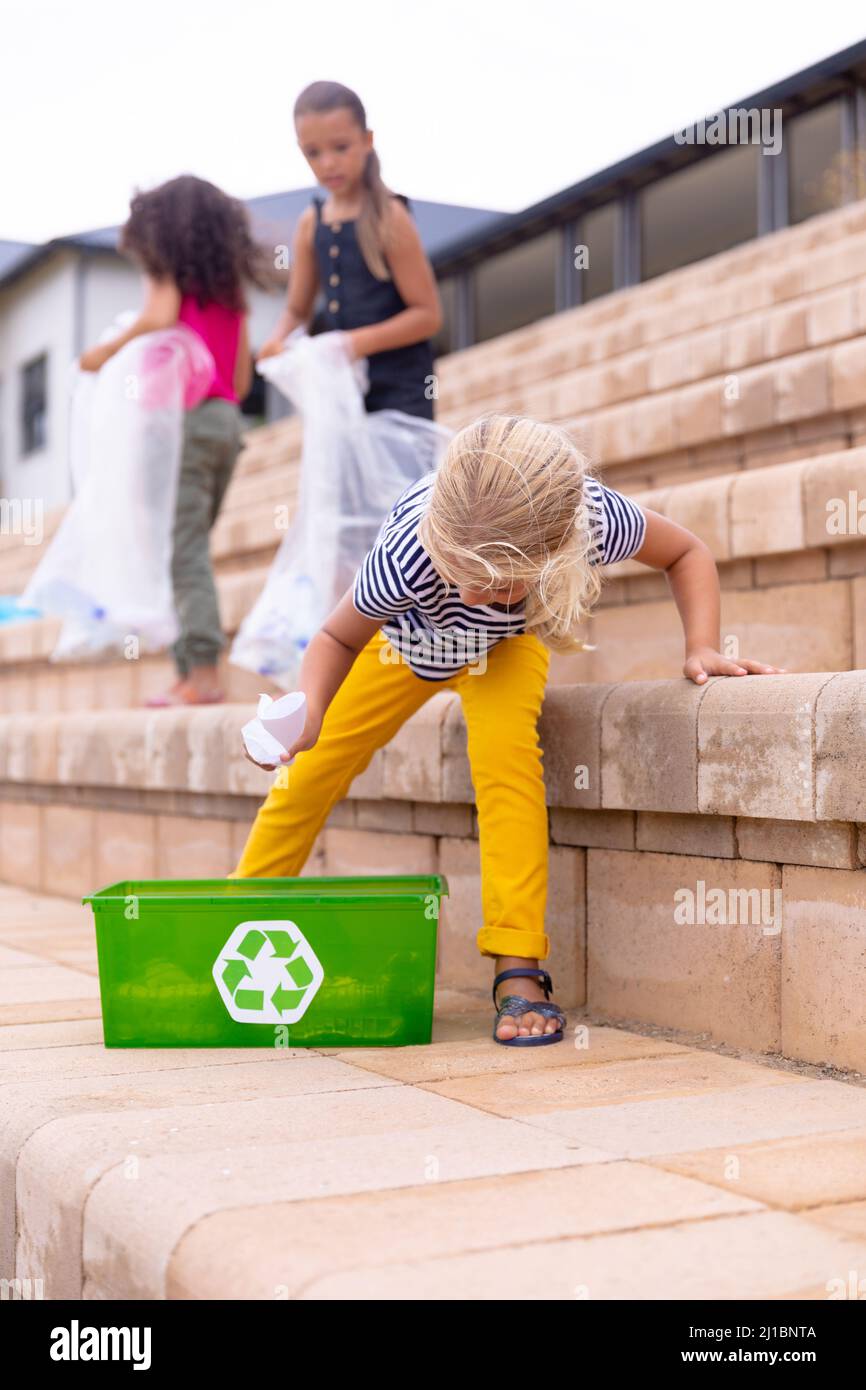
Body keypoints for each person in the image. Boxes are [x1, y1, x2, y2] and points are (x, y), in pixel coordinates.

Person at [229, 414, 786, 1047]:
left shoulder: (592, 519)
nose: (469, 594)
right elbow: (334, 637)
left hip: (506, 649)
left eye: (494, 584)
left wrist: (703, 646)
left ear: (554, 550)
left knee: (507, 766)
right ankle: (240, 908)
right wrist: (311, 710)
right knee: (313, 768)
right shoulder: (407, 552)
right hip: (401, 650)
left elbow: (686, 553)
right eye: (458, 575)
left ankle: (518, 966)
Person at [80, 174, 267, 705]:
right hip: (226, 423)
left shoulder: (167, 273)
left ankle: (203, 673)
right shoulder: (230, 290)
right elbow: (243, 378)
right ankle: (189, 671)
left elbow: (159, 317)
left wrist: (105, 353)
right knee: (187, 548)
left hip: (185, 423)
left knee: (180, 551)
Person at [257, 79, 442, 419]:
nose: (327, 163)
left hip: (402, 392)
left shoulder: (391, 217)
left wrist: (353, 345)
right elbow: (298, 310)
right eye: (313, 152)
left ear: (367, 141)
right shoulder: (310, 224)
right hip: (343, 394)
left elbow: (428, 315)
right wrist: (278, 338)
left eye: (340, 147)